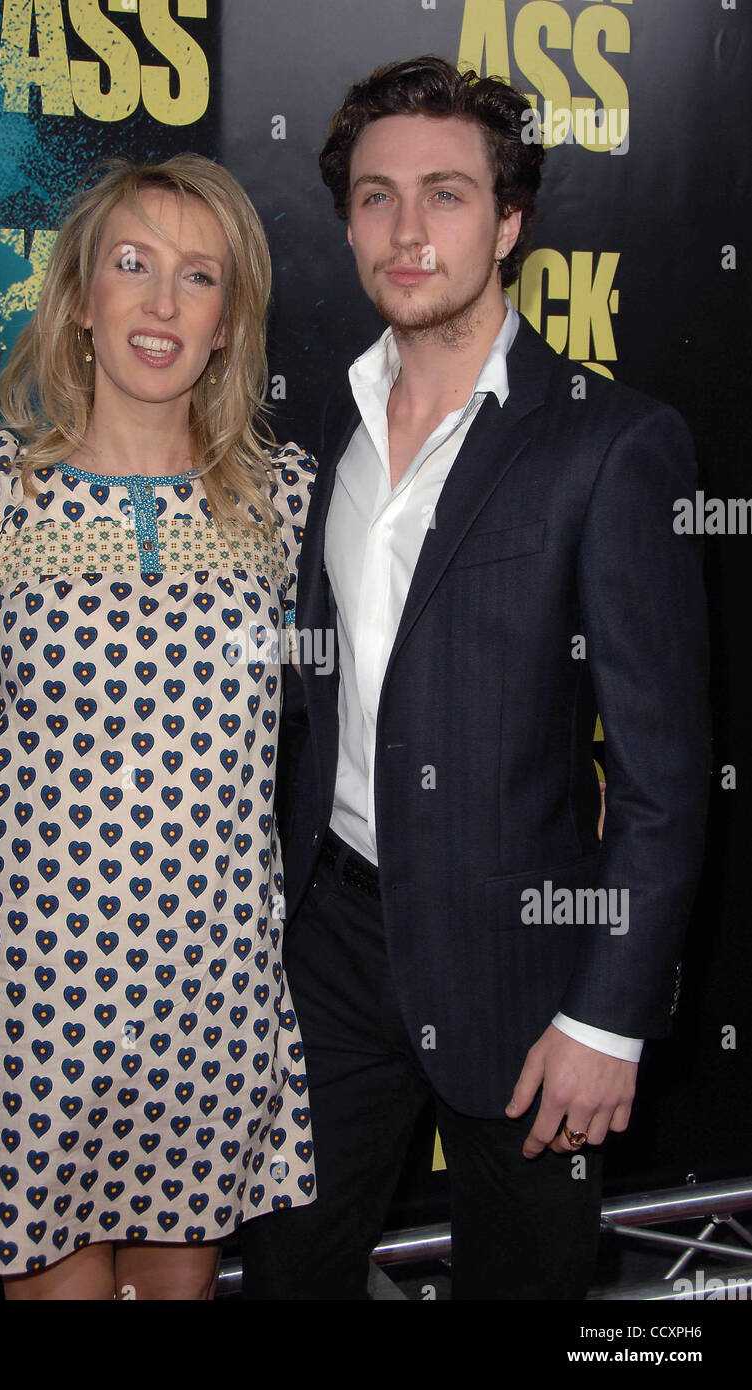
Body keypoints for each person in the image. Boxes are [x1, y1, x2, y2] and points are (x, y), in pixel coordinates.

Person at [240, 57, 710, 1300]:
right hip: (329, 940)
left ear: (509, 223)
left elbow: (666, 782)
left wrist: (608, 1019)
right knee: (291, 1272)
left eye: (445, 195)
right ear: (346, 222)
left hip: (525, 961)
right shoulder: (323, 436)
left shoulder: (611, 444)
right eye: (377, 197)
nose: (407, 230)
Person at [0, 153, 317, 1300]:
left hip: (209, 995)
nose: (163, 304)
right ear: (80, 301)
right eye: (133, 266)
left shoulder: (286, 499)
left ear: (228, 322)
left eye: (198, 277)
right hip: (26, 1000)